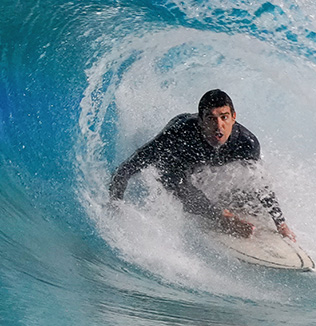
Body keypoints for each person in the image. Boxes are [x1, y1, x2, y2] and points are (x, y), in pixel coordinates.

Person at [108, 89, 295, 240]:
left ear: (234, 117)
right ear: (200, 120)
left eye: (224, 117)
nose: (219, 126)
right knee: (177, 185)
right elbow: (127, 168)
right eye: (211, 119)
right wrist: (115, 204)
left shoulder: (246, 143)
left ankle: (236, 215)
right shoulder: (178, 135)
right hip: (179, 163)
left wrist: (281, 223)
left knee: (249, 195)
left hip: (205, 162)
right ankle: (223, 218)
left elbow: (259, 183)